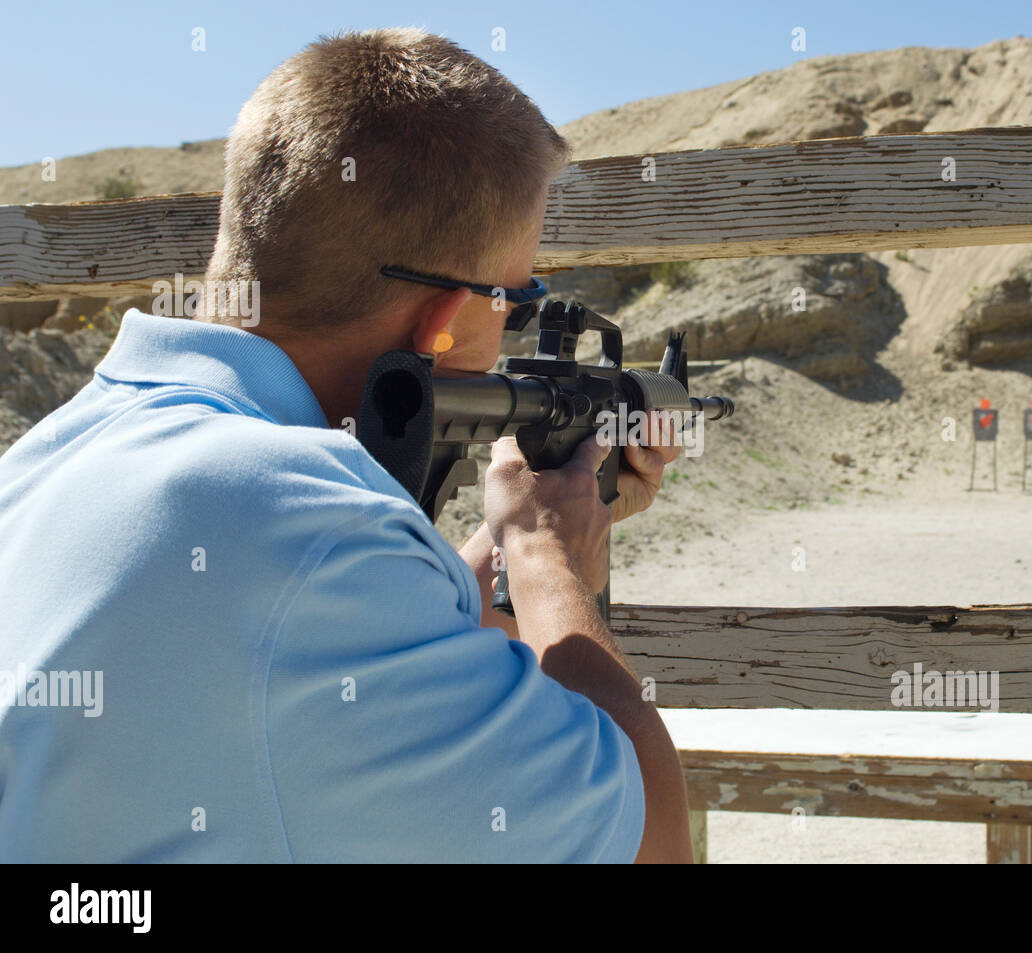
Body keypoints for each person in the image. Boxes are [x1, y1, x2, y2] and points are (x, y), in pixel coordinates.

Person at [0, 28, 692, 863]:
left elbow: (360, 642)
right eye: (517, 295)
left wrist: (530, 522)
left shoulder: (50, 458)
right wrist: (550, 560)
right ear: (441, 322)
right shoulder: (310, 520)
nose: (516, 317)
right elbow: (652, 838)